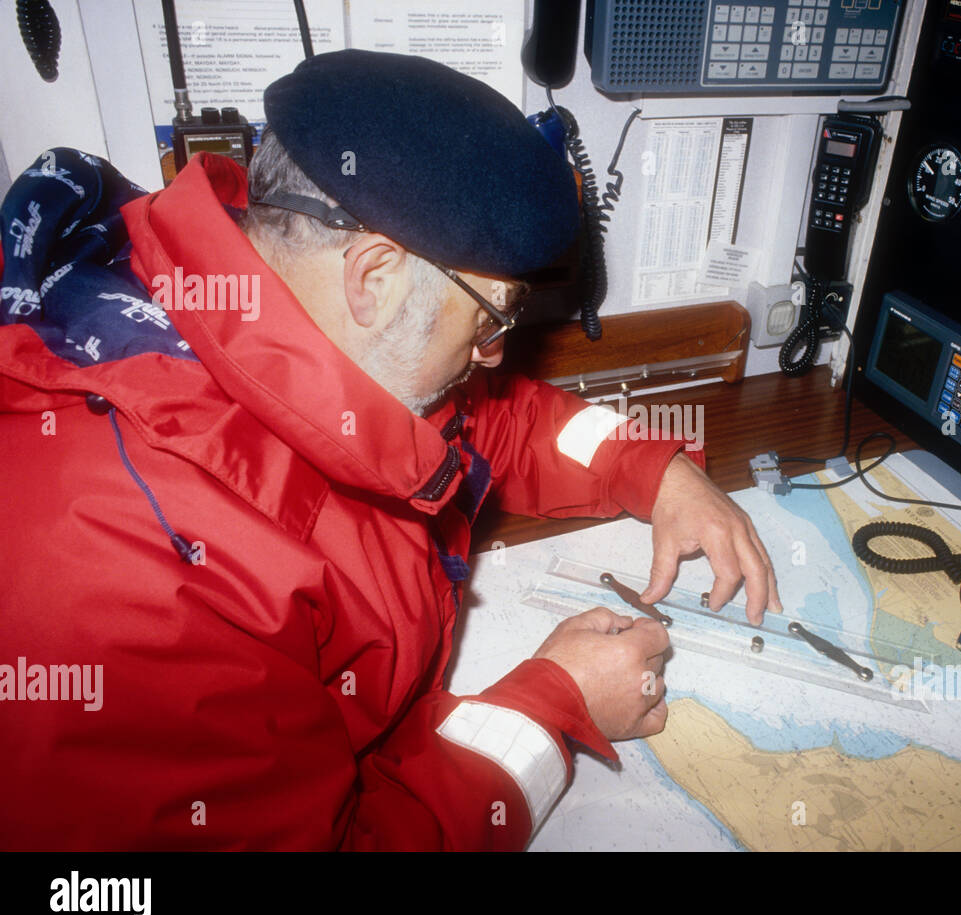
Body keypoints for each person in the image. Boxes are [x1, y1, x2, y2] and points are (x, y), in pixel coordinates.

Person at [0, 50, 782, 850]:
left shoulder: (280, 298)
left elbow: (495, 425)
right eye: (491, 319)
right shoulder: (137, 575)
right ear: (373, 274)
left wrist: (653, 466)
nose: (495, 354)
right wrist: (556, 702)